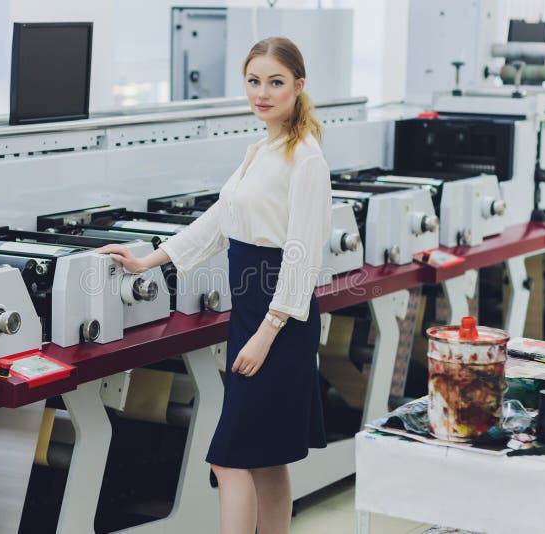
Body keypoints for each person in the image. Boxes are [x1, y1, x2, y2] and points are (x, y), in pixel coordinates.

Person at [96, 36, 331, 534]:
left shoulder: (305, 158)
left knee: (229, 459)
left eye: (275, 82)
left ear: (298, 86)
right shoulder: (263, 148)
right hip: (254, 314)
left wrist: (267, 333)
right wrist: (146, 262)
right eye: (253, 82)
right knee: (266, 460)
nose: (262, 93)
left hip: (278, 320)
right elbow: (218, 220)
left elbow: (302, 253)